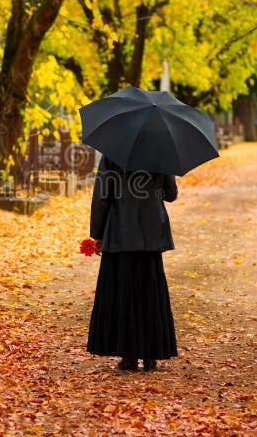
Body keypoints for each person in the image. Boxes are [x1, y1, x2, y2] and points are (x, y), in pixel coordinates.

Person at [87, 155, 178, 371]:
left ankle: (128, 355)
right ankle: (150, 355)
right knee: (149, 291)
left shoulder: (113, 154)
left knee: (123, 292)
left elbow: (102, 196)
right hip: (150, 232)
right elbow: (171, 194)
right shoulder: (161, 152)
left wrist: (97, 233)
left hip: (120, 232)